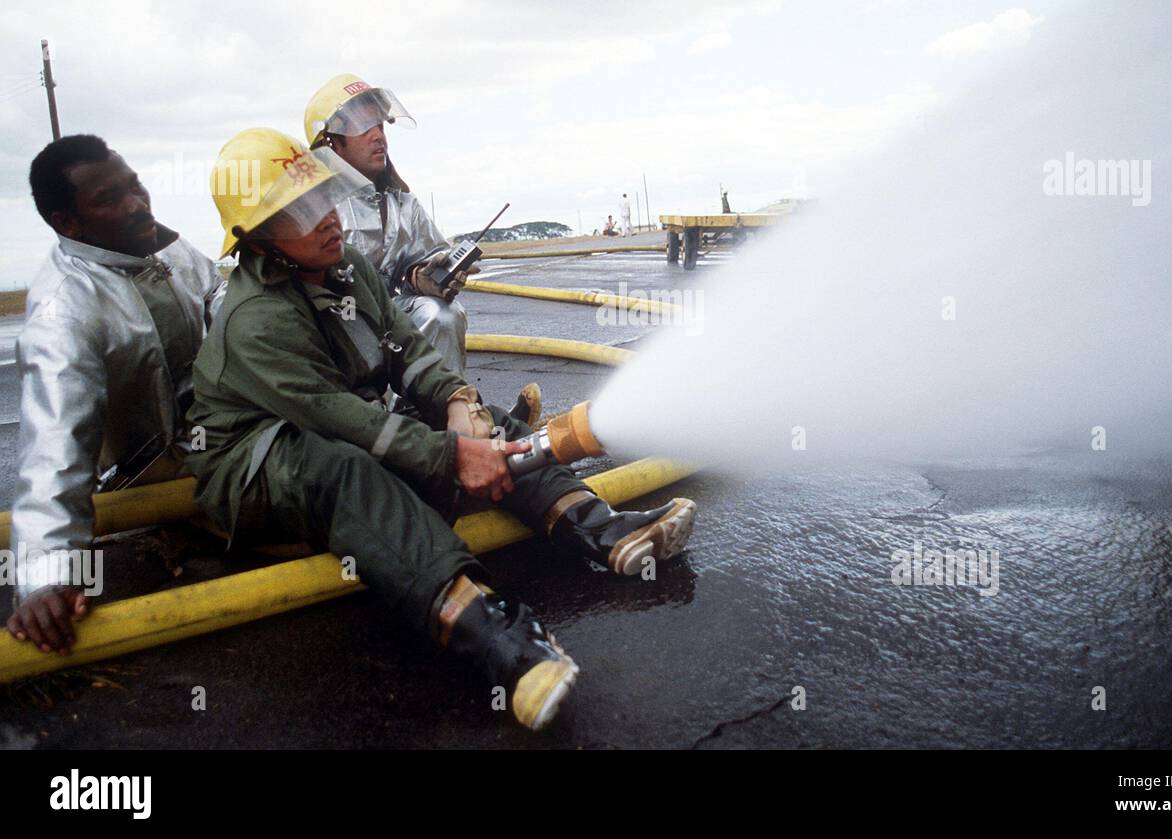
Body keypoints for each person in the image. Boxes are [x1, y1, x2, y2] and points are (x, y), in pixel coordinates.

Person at [185, 128, 697, 730]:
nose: (326, 218)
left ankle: (601, 531)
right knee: (347, 470)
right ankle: (498, 640)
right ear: (258, 240)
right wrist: (452, 458)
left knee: (483, 422)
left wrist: (458, 403)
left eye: (322, 197)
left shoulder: (345, 266)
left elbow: (406, 347)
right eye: (298, 211)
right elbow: (342, 421)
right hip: (257, 465)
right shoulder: (255, 320)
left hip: (339, 429)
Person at [5, 135, 226, 654]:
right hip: (152, 476)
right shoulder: (64, 314)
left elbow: (220, 294)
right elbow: (53, 452)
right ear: (68, 224)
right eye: (109, 199)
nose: (136, 203)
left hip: (224, 435)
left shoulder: (165, 245)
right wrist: (47, 576)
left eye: (136, 186)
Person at [303, 74, 538, 425]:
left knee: (442, 313)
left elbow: (423, 259)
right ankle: (473, 426)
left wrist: (423, 276)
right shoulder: (310, 207)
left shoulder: (401, 203)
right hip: (333, 332)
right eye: (362, 125)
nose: (378, 134)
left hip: (384, 323)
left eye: (380, 123)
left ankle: (440, 415)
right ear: (331, 144)